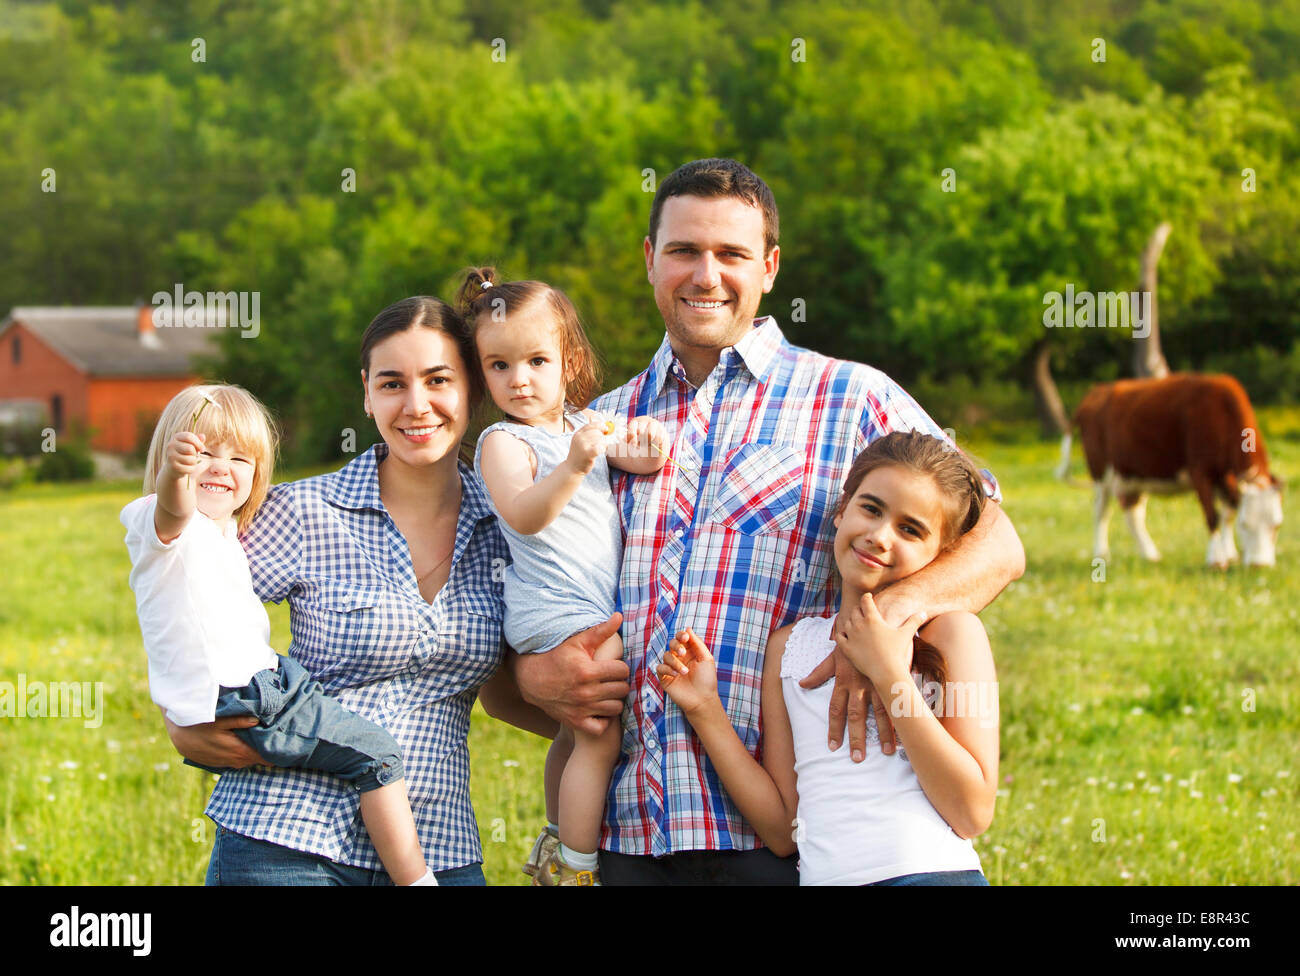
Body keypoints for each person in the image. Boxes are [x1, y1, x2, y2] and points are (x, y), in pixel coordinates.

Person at [508, 158, 1025, 884]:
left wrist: (884, 627)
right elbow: (528, 588)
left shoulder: (851, 398)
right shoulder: (593, 429)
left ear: (770, 266)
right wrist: (532, 675)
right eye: (684, 250)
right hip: (628, 828)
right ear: (649, 259)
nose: (705, 274)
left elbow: (997, 542)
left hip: (782, 836)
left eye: (732, 255)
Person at [161, 297, 560, 885]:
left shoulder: (509, 527)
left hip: (435, 848)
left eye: (438, 380)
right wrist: (180, 715)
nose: (416, 405)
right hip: (286, 838)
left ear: (472, 389)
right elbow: (187, 598)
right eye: (392, 383)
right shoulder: (302, 511)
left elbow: (507, 688)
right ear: (367, 395)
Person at [124, 384, 436, 885]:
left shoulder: (224, 532)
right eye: (203, 452)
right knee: (378, 754)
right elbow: (170, 511)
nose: (221, 466)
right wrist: (176, 475)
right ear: (170, 459)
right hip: (245, 692)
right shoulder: (162, 524)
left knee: (354, 744)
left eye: (240, 458)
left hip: (264, 681)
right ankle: (417, 880)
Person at [657, 430, 998, 885]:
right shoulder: (790, 647)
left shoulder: (954, 633)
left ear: (942, 553)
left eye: (910, 529)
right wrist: (705, 710)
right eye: (871, 509)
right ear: (842, 510)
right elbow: (784, 830)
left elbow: (971, 811)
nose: (879, 536)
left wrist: (887, 669)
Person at [458, 266, 667, 885]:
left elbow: (631, 452)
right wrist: (576, 464)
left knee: (575, 737)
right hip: (554, 607)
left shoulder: (585, 424)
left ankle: (555, 832)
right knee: (601, 734)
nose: (518, 379)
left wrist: (648, 444)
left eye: (535, 361)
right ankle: (579, 867)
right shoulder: (503, 442)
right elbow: (522, 516)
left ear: (568, 359)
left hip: (584, 600)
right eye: (498, 366)